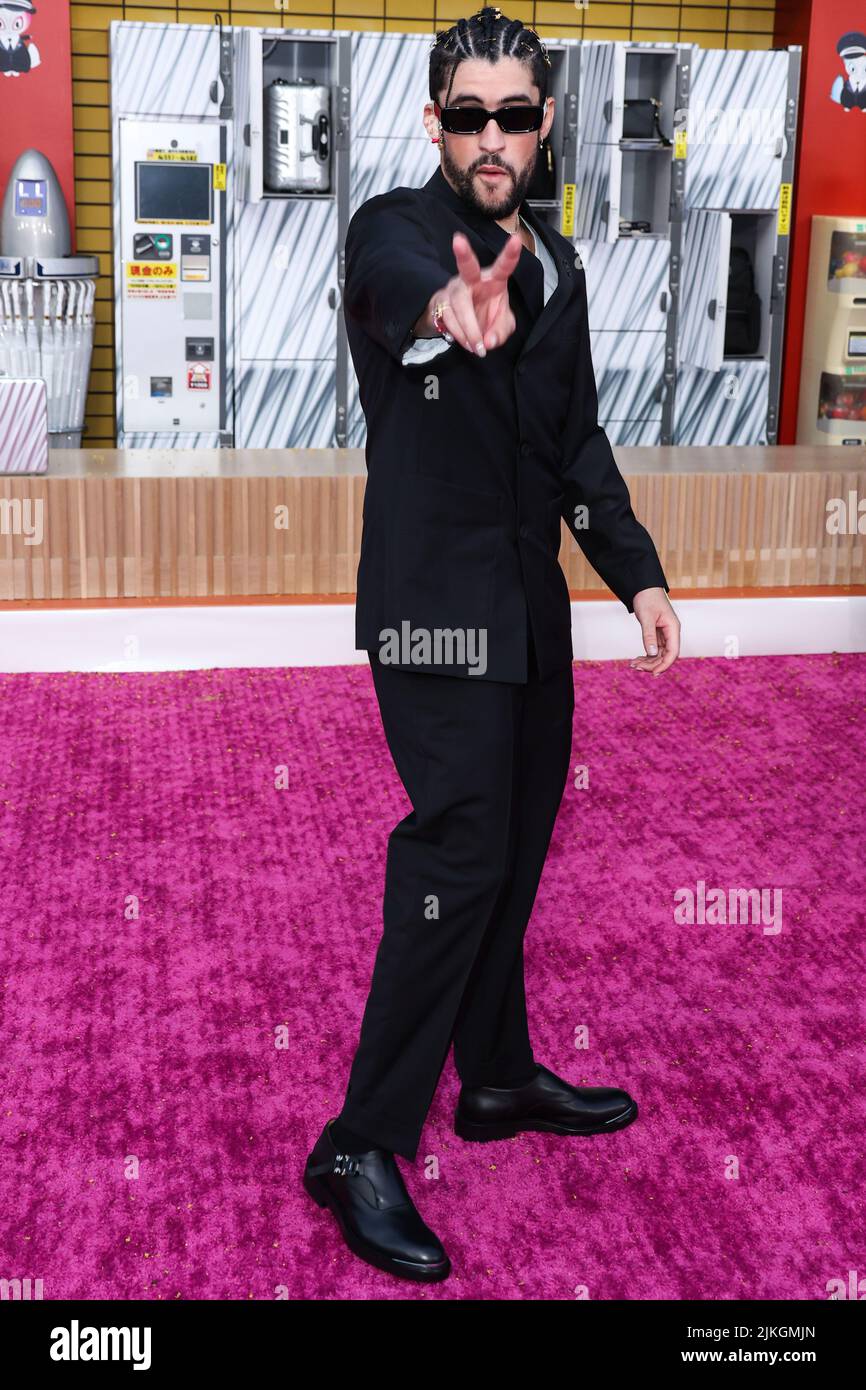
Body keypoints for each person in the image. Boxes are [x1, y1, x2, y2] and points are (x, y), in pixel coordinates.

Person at [303, 6, 680, 1283]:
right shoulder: (396, 230)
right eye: (467, 115)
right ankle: (358, 1141)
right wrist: (446, 309)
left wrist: (634, 574)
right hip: (431, 615)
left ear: (543, 122)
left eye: (512, 115)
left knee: (516, 848)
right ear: (435, 123)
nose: (490, 137)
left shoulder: (557, 265)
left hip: (530, 614)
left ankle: (497, 1075)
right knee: (458, 854)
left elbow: (575, 441)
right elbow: (388, 281)